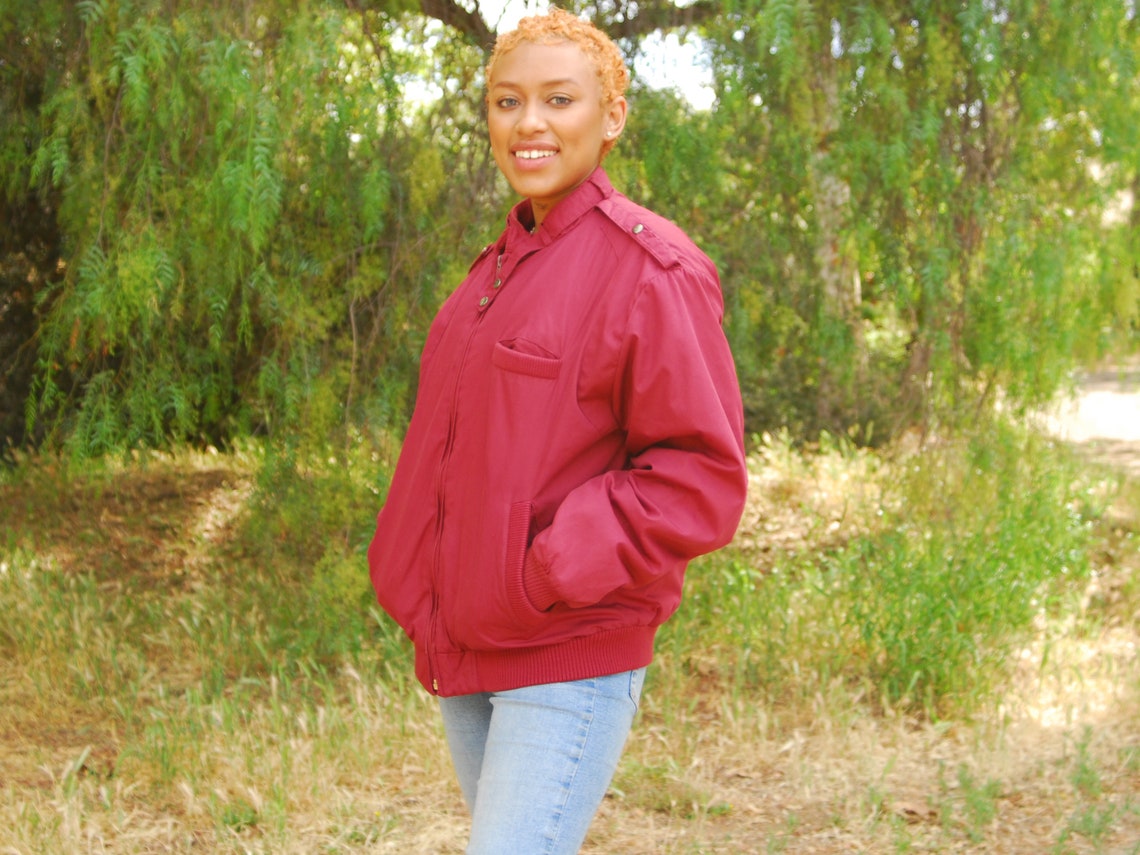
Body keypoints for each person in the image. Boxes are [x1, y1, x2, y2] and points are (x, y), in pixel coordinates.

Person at [367, 8, 748, 853]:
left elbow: (699, 478)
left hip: (566, 646)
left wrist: (542, 569)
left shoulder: (653, 270)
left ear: (611, 116)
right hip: (466, 648)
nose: (529, 123)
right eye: (507, 102)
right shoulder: (490, 273)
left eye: (558, 99)